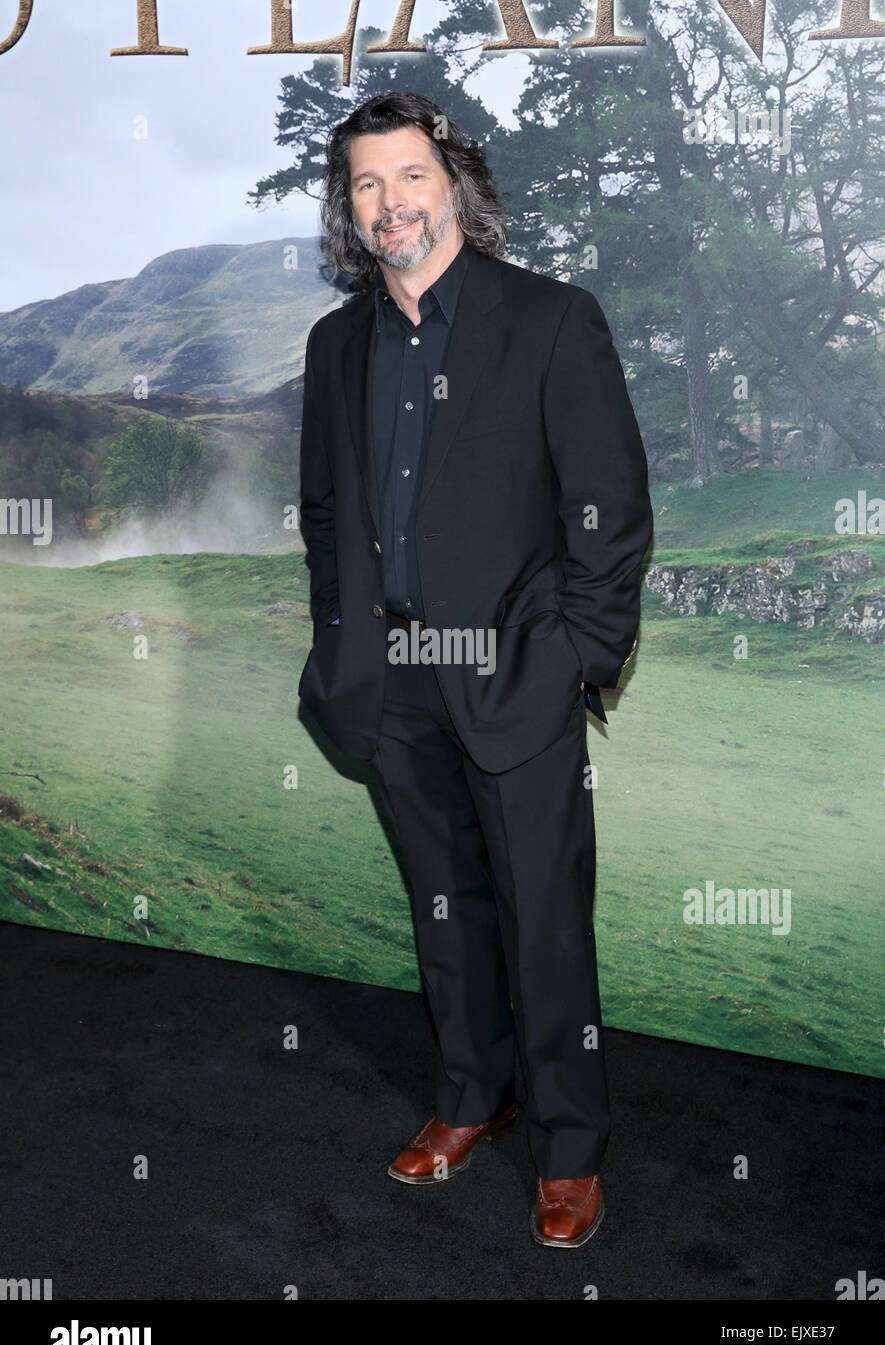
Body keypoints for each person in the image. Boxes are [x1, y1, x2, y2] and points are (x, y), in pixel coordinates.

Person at [297, 91, 653, 1247]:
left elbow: (611, 514)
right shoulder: (337, 341)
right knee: (444, 912)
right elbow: (323, 511)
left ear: (451, 184)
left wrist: (575, 660)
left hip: (515, 676)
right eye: (365, 183)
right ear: (347, 208)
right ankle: (470, 1097)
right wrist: (340, 637)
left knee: (543, 921)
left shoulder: (551, 320)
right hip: (392, 681)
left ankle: (569, 1149)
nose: (389, 202)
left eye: (407, 176)